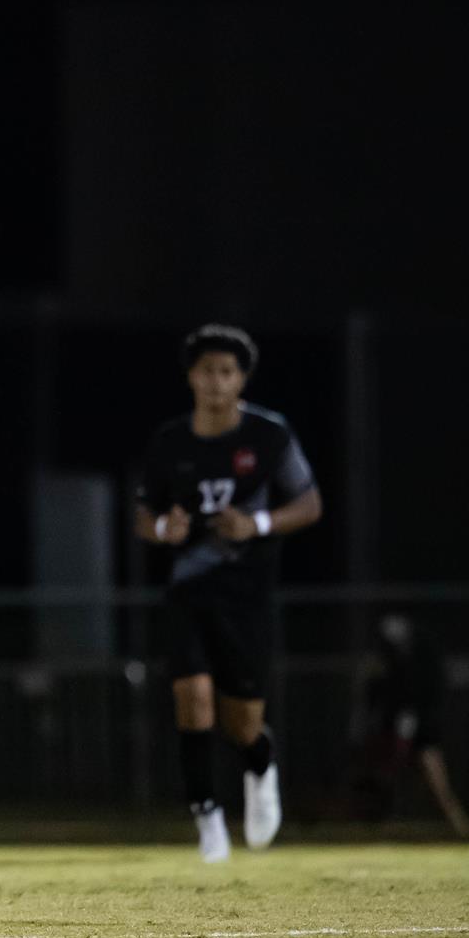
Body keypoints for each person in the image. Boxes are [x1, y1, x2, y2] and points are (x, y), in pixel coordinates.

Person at [134, 324, 321, 864]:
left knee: (242, 722)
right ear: (191, 377)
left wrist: (258, 523)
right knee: (192, 701)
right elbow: (146, 517)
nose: (216, 381)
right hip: (188, 589)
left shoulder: (269, 436)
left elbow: (309, 505)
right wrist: (164, 529)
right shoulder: (170, 442)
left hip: (247, 594)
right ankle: (207, 815)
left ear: (241, 379)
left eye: (227, 372)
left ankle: (261, 761)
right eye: (207, 371)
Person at [352, 613, 469, 836]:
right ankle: (386, 821)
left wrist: (410, 721)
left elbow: (417, 697)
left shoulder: (419, 666)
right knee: (389, 775)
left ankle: (457, 821)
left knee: (433, 777)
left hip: (419, 729)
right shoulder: (393, 668)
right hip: (399, 730)